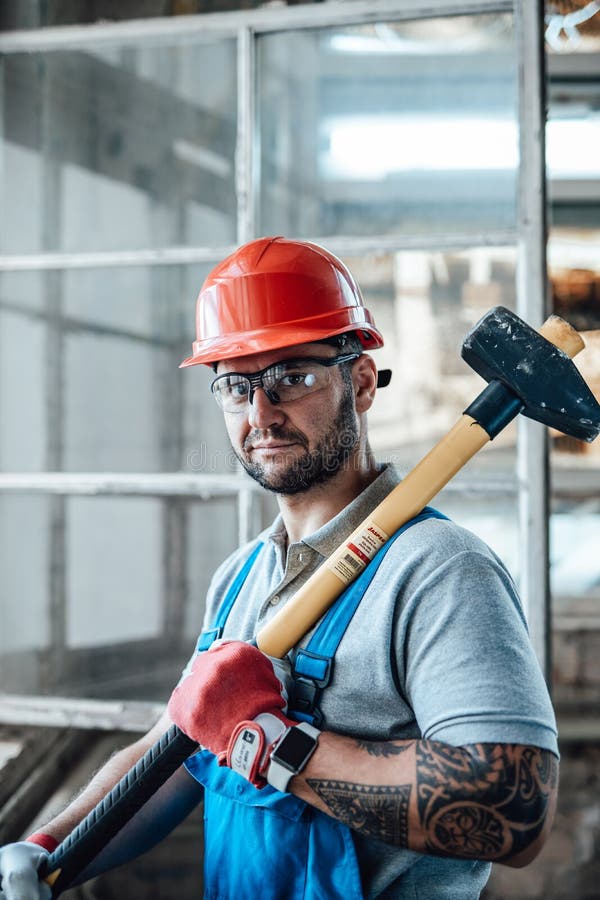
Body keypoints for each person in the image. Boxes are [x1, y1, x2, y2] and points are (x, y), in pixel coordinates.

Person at [0, 236, 558, 900]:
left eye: (292, 376)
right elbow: (178, 752)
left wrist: (274, 745)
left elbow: (511, 812)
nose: (260, 412)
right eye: (236, 385)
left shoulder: (439, 572)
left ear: (359, 381)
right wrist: (48, 847)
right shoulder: (241, 577)